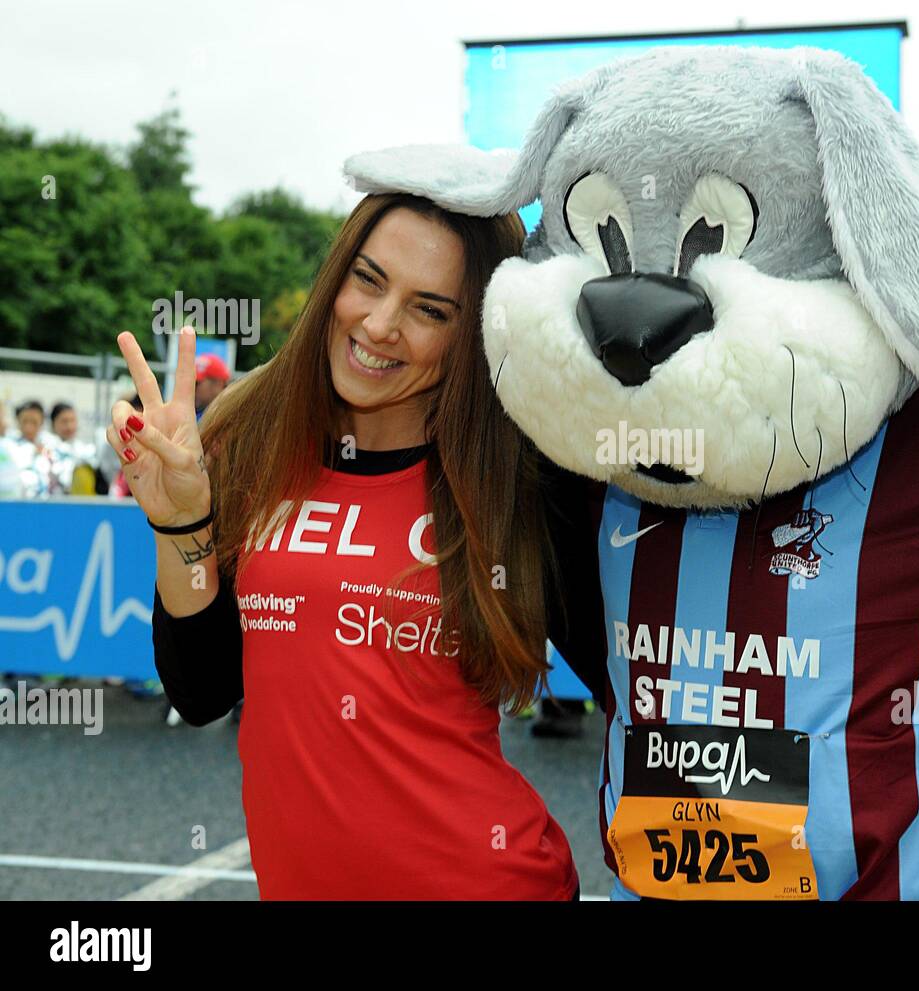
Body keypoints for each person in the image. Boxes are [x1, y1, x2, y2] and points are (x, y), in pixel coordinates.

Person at [105, 189, 580, 900]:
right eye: (368, 279)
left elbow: (639, 687)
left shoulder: (516, 479)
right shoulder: (252, 443)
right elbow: (202, 691)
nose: (381, 324)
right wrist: (182, 526)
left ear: (471, 334)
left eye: (430, 310)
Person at [193, 353, 229, 419]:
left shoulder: (230, 419)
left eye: (196, 384)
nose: (191, 389)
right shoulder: (190, 413)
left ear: (218, 384)